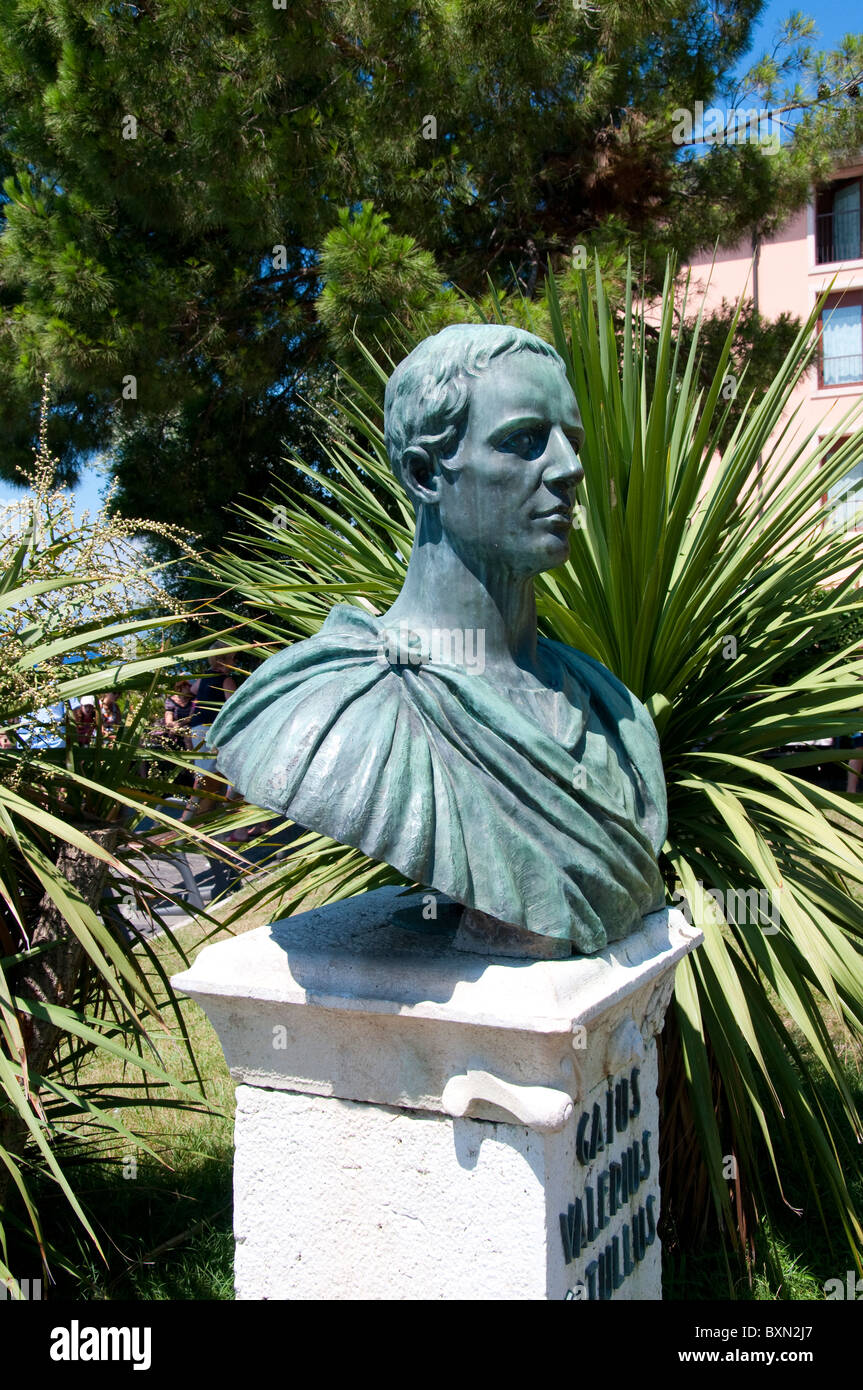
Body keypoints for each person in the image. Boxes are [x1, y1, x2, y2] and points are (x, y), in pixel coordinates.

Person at [210, 324, 666, 955]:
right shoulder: (334, 708)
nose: (569, 469)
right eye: (526, 441)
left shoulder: (616, 716)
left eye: (572, 442)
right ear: (425, 475)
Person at [181, 649, 238, 823]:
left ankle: (201, 816)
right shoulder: (226, 681)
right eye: (233, 659)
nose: (236, 664)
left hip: (197, 728)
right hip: (213, 731)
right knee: (217, 775)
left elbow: (194, 689)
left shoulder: (203, 677)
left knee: (205, 774)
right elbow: (234, 707)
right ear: (223, 660)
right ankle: (187, 819)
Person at [164, 679, 196, 748]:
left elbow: (190, 717)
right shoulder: (170, 700)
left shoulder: (194, 700)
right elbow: (168, 718)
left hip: (187, 726)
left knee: (188, 735)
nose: (192, 688)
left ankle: (191, 757)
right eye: (189, 686)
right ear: (182, 686)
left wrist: (179, 725)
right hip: (174, 726)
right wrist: (172, 725)